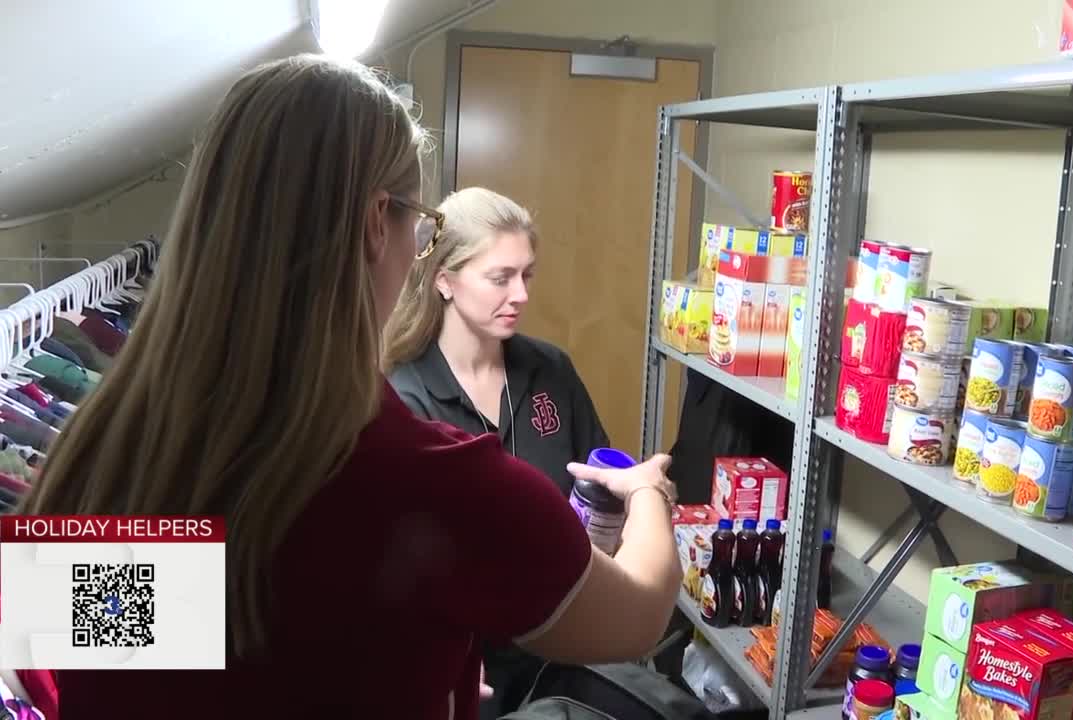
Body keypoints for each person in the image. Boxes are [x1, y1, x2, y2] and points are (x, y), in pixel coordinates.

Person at [19, 54, 680, 719]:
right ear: (373, 224)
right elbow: (638, 613)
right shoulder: (434, 486)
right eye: (418, 227)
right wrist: (648, 492)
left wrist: (398, 658)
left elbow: (115, 660)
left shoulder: (108, 445)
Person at [382, 187, 614, 717]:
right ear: (444, 279)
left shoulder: (551, 371)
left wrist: (633, 499)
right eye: (499, 277)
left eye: (526, 274)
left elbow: (599, 485)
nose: (521, 294)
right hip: (468, 669)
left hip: (566, 650)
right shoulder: (403, 397)